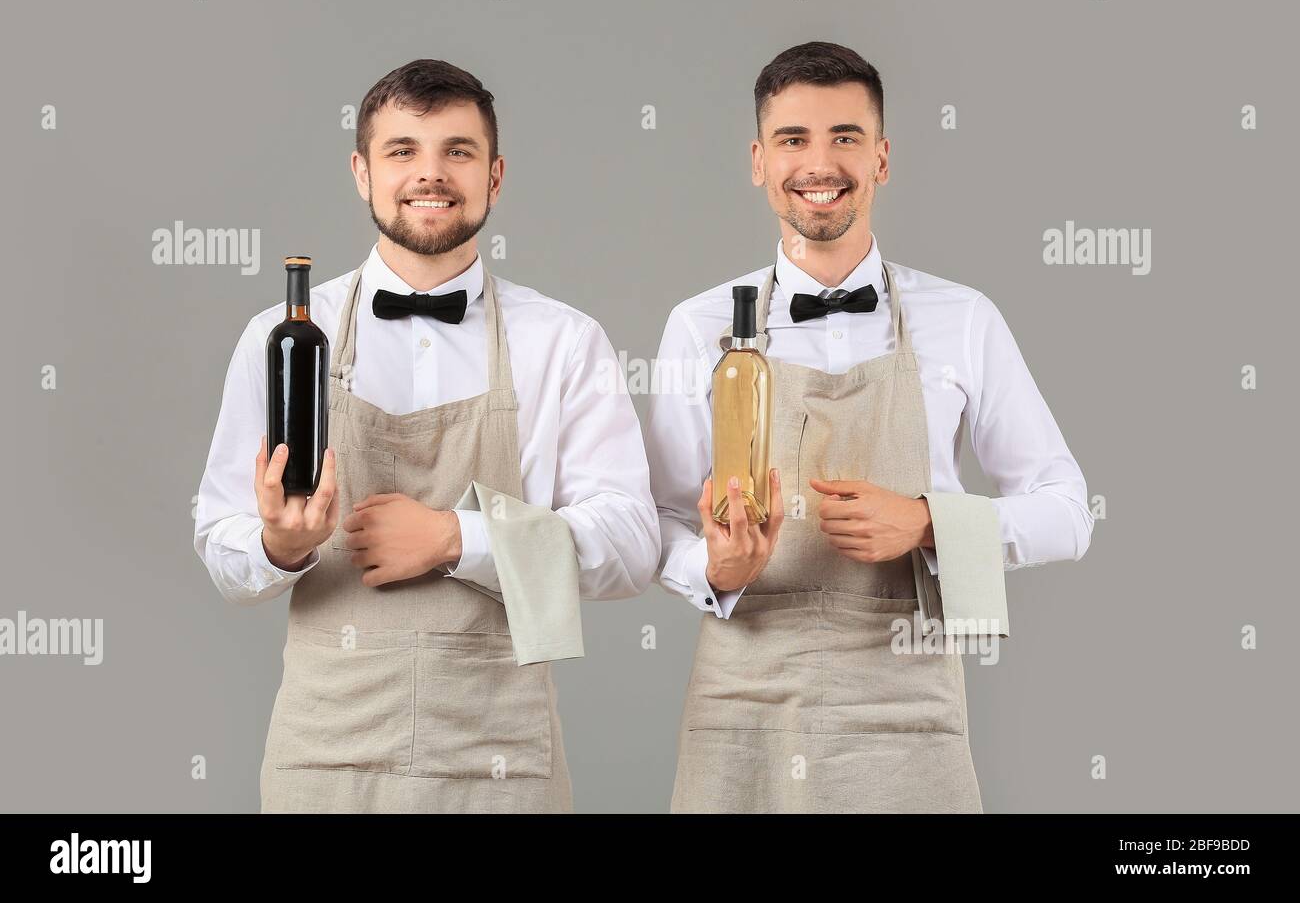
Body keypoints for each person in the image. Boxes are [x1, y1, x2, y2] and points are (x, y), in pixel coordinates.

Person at [194, 59, 660, 813]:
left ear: (495, 175)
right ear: (362, 171)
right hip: (326, 758)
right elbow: (220, 540)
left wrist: (455, 537)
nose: (430, 174)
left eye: (458, 151)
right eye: (403, 151)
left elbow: (634, 542)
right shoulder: (280, 339)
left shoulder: (563, 341)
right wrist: (280, 546)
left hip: (498, 756)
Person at [645, 41, 1093, 813]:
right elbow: (654, 520)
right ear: (759, 161)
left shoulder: (964, 319)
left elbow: (1067, 511)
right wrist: (715, 571)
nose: (820, 163)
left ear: (882, 158)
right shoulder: (700, 327)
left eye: (845, 137)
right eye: (793, 140)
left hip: (905, 711)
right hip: (745, 707)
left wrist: (927, 523)